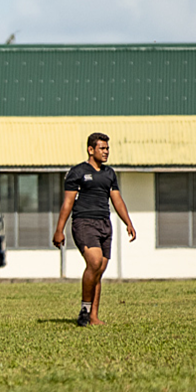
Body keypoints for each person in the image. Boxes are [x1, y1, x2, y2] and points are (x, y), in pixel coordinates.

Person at [53, 132, 136, 327]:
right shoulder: (77, 172)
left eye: (107, 148)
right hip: (84, 222)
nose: (106, 152)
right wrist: (59, 229)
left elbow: (117, 199)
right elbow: (67, 203)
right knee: (95, 262)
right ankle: (84, 308)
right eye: (102, 148)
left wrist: (128, 222)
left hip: (104, 224)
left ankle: (93, 317)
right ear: (91, 150)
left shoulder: (109, 173)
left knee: (99, 270)